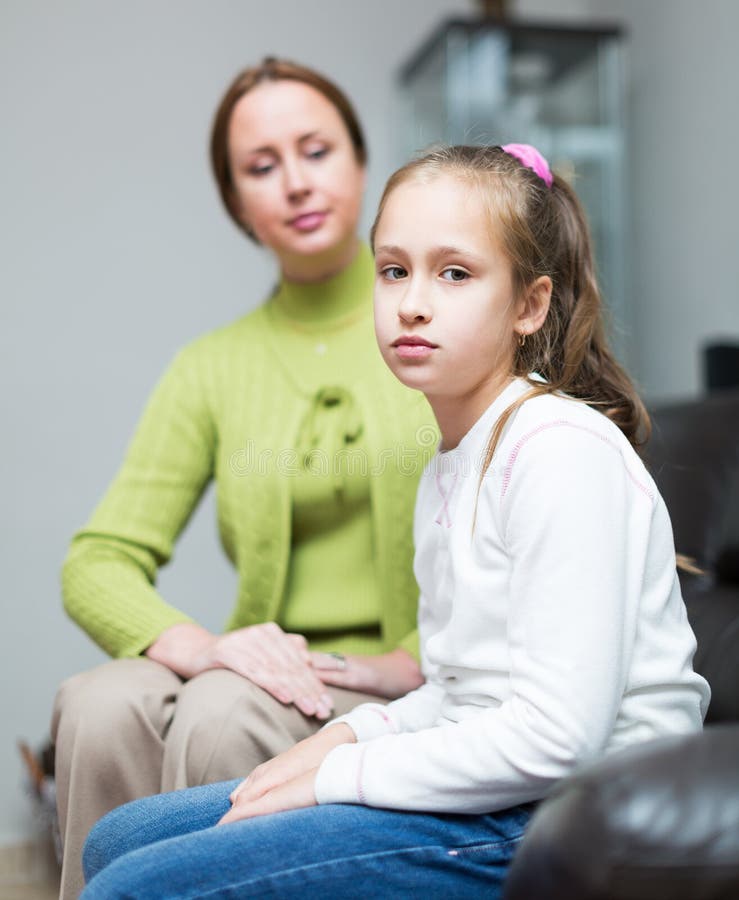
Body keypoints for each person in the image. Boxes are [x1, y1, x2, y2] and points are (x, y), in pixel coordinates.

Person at [78, 143, 710, 899]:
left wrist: (338, 777)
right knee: (117, 839)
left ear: (528, 305)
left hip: (574, 806)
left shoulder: (557, 452)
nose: (411, 301)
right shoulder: (451, 459)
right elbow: (459, 689)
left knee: (138, 885)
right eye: (392, 270)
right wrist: (343, 737)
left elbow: (555, 739)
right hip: (497, 780)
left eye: (453, 273)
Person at [51, 58, 435, 899]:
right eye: (262, 167)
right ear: (236, 204)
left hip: (400, 676)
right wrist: (206, 646)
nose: (296, 182)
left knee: (221, 711)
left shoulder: (433, 322)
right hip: (262, 661)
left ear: (361, 164)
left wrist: (410, 658)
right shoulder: (209, 367)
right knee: (96, 702)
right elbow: (96, 562)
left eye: (316, 150)